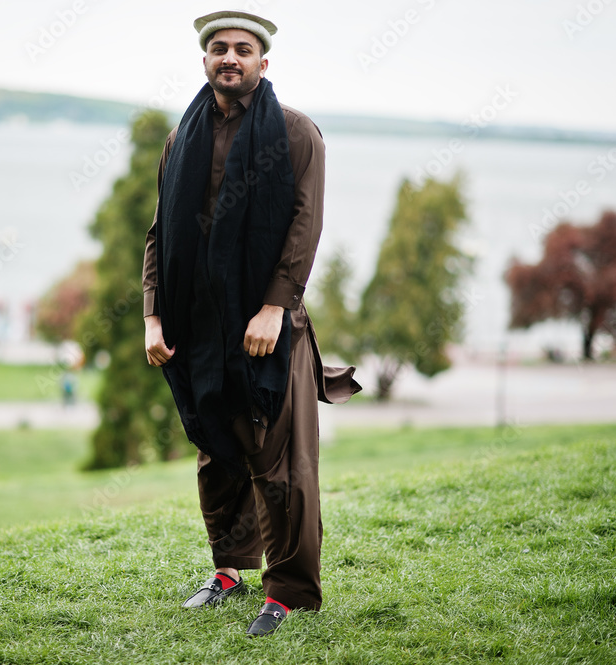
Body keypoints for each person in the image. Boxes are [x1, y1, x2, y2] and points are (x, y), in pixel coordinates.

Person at [142, 10, 361, 637]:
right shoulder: (179, 140)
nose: (229, 57)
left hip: (272, 324)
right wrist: (154, 314)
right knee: (219, 450)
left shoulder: (296, 134)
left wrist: (273, 307)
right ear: (205, 60)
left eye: (243, 49)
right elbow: (160, 233)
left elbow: (303, 227)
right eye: (219, 48)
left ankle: (288, 591)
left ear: (264, 63)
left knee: (279, 460)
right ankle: (230, 569)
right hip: (198, 325)